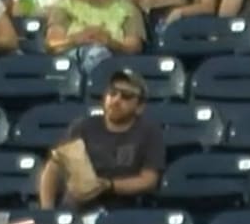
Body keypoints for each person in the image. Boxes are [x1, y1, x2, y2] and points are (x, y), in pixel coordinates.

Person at [38, 68, 163, 210]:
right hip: (77, 210)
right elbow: (54, 167)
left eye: (126, 96)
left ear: (139, 107)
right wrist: (47, 212)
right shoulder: (83, 126)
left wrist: (109, 185)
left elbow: (148, 180)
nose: (116, 100)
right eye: (112, 93)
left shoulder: (149, 132)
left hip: (122, 212)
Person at [45, 0, 146, 72]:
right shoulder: (66, 5)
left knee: (99, 53)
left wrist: (109, 42)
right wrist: (76, 39)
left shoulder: (128, 10)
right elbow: (52, 43)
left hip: (113, 67)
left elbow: (133, 47)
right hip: (72, 64)